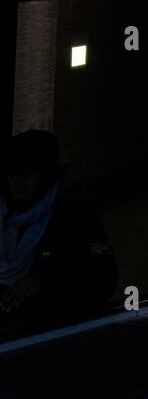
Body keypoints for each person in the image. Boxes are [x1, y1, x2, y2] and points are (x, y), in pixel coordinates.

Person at [0, 129, 117, 326]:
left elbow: (103, 279)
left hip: (49, 333)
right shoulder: (3, 213)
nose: (18, 181)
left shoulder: (74, 218)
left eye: (28, 172)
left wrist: (43, 283)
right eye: (13, 172)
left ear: (46, 174)